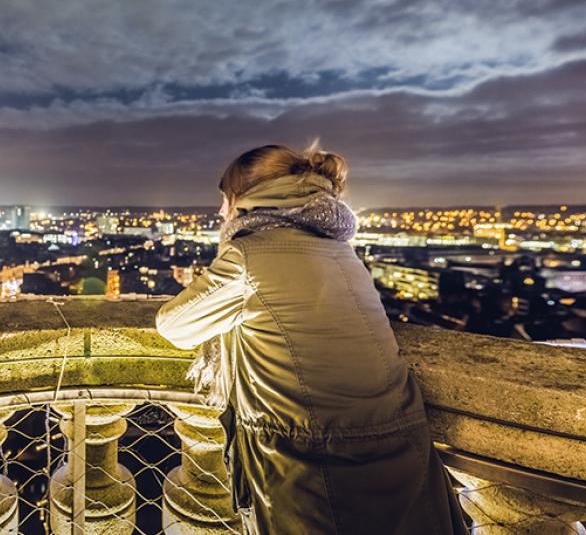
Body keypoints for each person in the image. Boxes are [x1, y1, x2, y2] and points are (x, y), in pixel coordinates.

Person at [156, 143, 468, 535]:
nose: (220, 212)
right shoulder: (340, 250)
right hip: (399, 443)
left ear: (246, 196)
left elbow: (175, 326)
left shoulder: (249, 254)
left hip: (315, 458)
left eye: (225, 198)